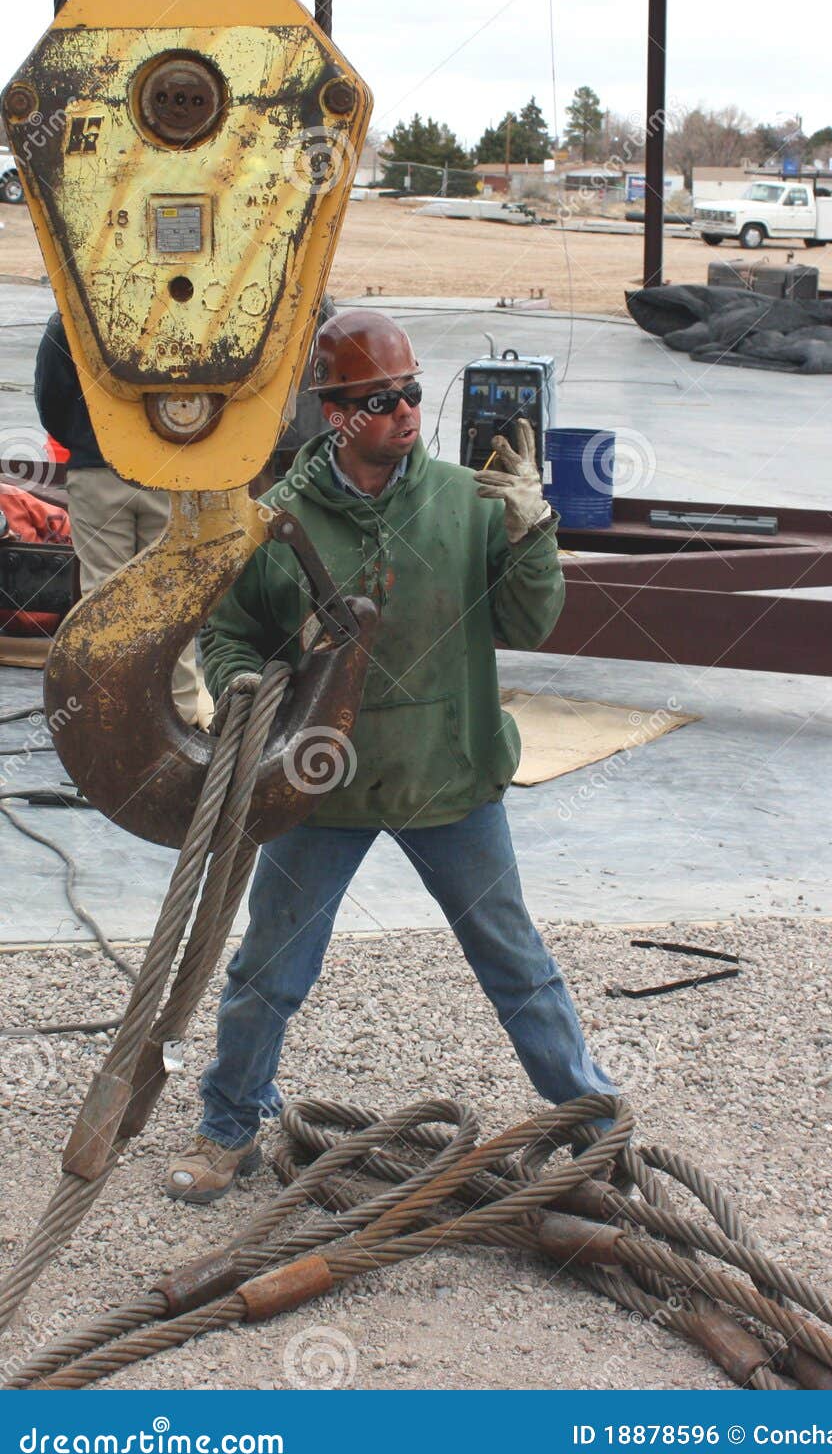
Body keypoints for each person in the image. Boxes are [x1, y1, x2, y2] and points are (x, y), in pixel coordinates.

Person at [166, 307, 614, 1202]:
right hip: (318, 787)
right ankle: (230, 1127)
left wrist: (532, 535)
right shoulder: (279, 525)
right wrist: (251, 682)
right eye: (382, 398)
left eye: (411, 391)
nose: (407, 410)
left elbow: (531, 622)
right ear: (335, 415)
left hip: (448, 774)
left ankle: (595, 1128)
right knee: (267, 971)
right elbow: (227, 634)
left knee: (515, 964)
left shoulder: (465, 504)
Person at [34, 311, 211, 728]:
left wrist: (84, 440)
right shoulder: (190, 311)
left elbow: (52, 400)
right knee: (171, 597)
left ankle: (107, 718)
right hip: (170, 468)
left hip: (97, 472)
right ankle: (181, 716)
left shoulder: (71, 315)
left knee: (104, 601)